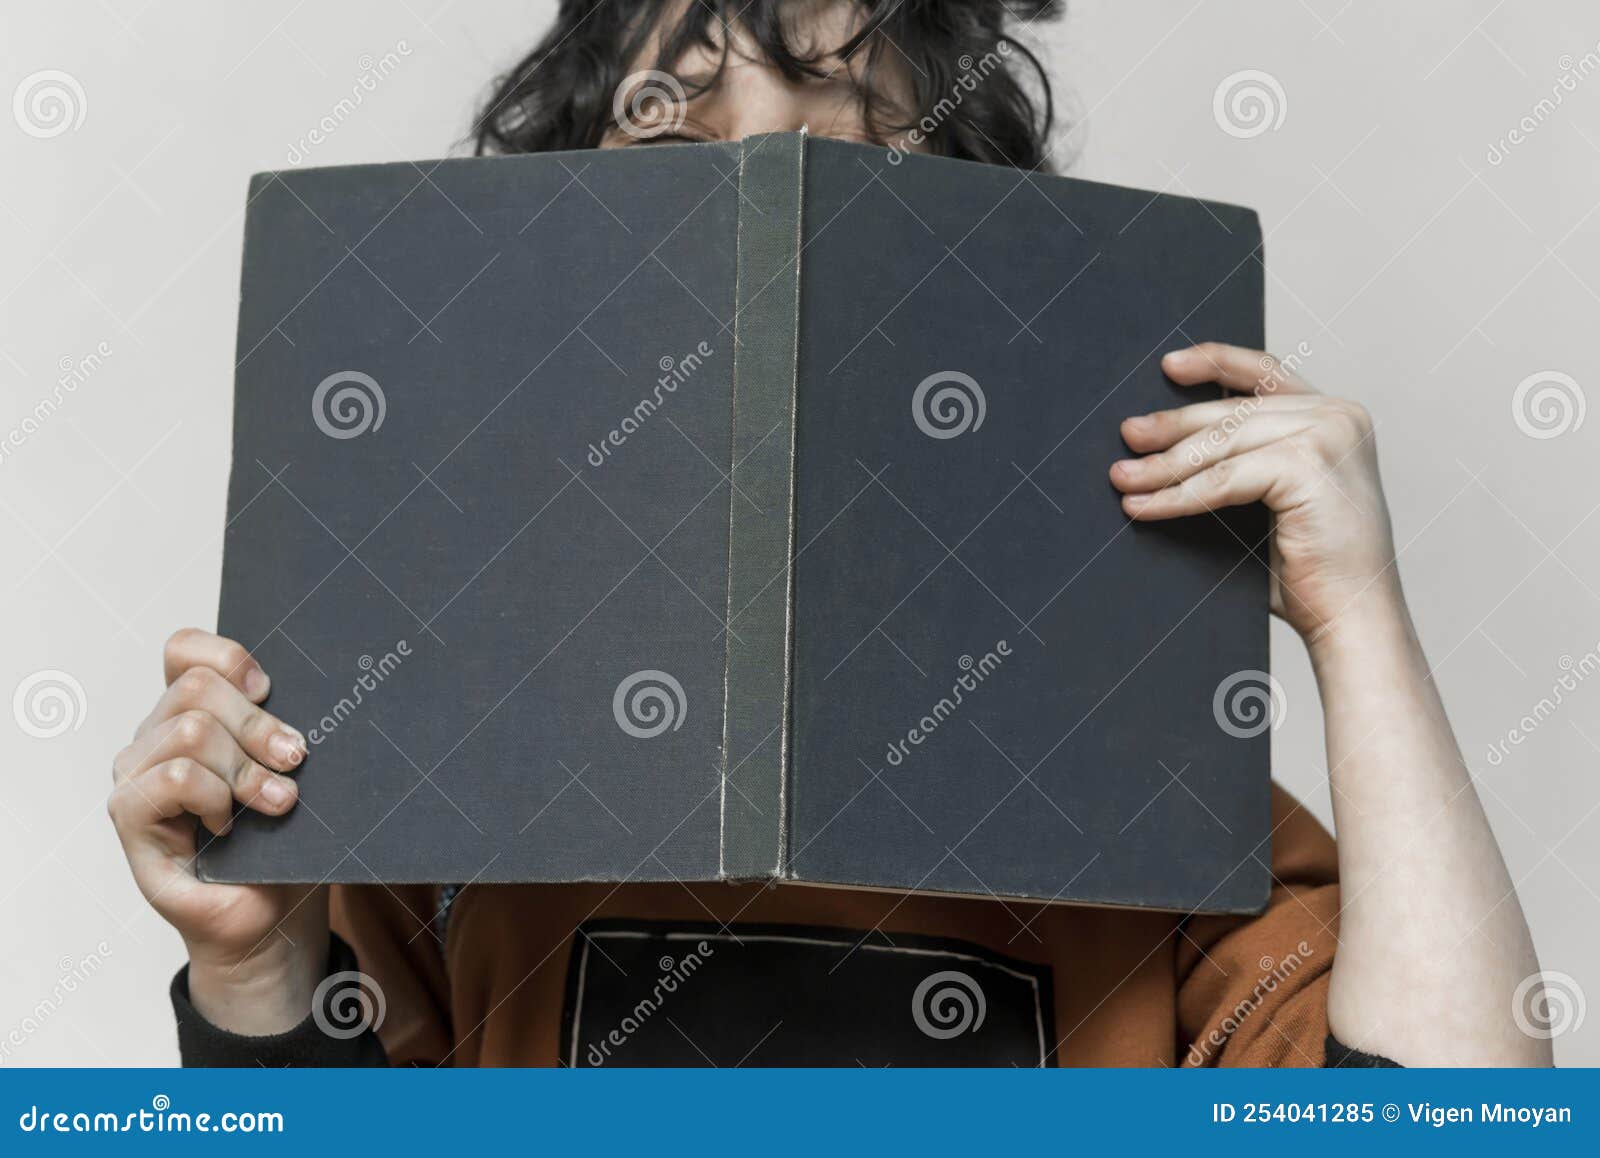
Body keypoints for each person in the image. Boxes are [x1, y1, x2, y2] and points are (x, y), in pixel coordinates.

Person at [108, 0, 1547, 1067]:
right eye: (670, 131)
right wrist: (257, 972)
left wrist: (1362, 620)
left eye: (842, 139)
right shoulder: (423, 786)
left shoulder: (1167, 806)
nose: (757, 197)